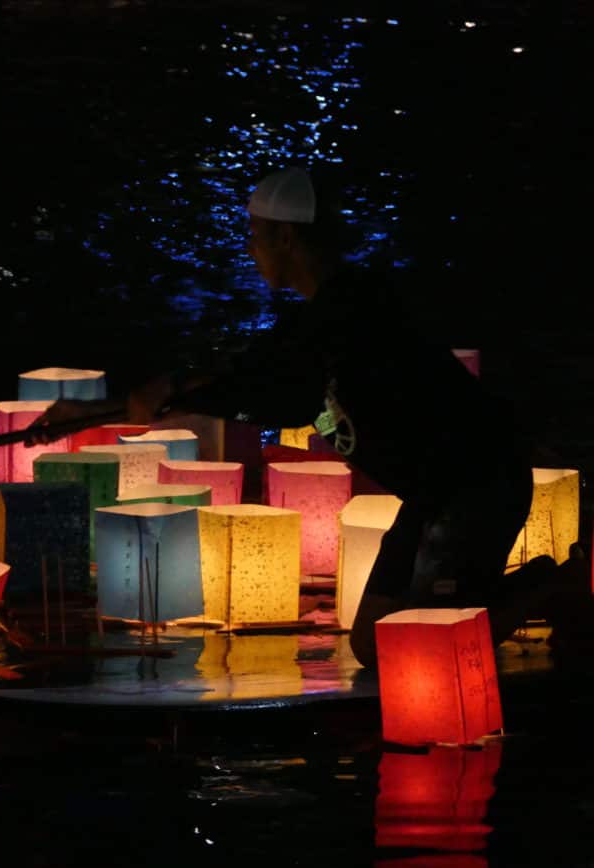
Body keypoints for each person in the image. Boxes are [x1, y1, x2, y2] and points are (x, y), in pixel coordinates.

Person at [33, 166, 588, 668]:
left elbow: (265, 384)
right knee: (372, 644)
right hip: (431, 495)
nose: (251, 249)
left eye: (255, 235)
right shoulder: (324, 318)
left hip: (475, 487)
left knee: (412, 651)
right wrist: (95, 412)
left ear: (285, 236)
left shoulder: (355, 314)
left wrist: (161, 394)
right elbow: (247, 378)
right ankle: (517, 587)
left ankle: (555, 585)